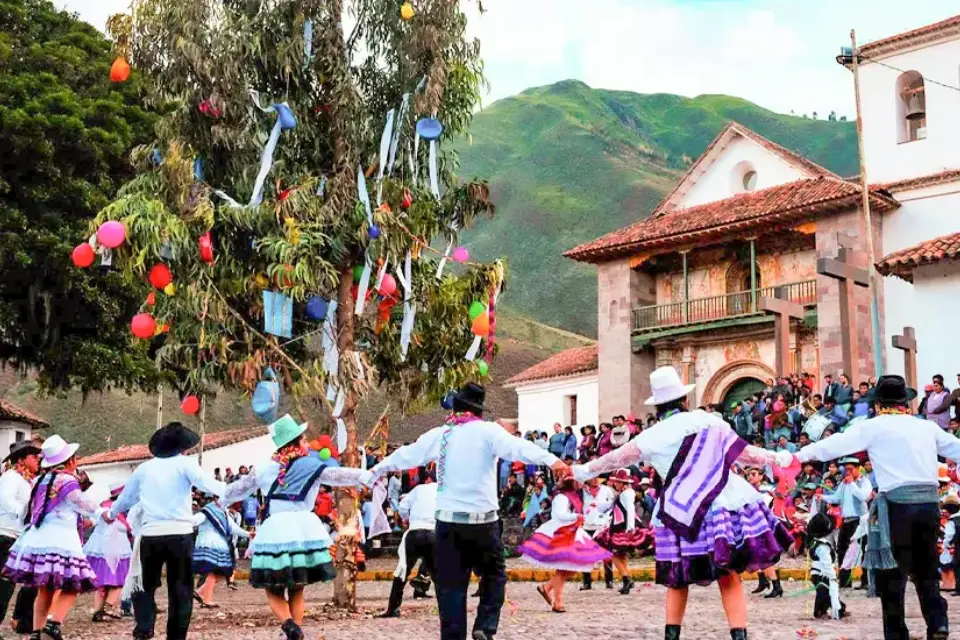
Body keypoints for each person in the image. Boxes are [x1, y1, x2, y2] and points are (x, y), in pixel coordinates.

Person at [574, 367, 791, 640]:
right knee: (728, 576)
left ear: (658, 404)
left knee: (677, 581)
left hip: (679, 511)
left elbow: (613, 459)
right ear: (684, 401)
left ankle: (672, 636)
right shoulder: (712, 423)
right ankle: (739, 635)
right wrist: (778, 458)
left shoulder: (652, 436)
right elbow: (747, 455)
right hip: (719, 505)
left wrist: (582, 471)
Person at [360, 383, 567, 640]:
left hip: (448, 525)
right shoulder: (490, 432)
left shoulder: (441, 435)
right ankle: (484, 626)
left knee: (451, 587)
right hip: (484, 524)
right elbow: (519, 448)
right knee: (493, 576)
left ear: (456, 407)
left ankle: (453, 637)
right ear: (478, 410)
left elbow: (407, 455)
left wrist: (376, 470)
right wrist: (553, 460)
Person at [787, 375, 960, 640]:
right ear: (905, 402)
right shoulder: (925, 427)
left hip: (896, 506)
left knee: (893, 574)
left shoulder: (873, 427)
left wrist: (797, 456)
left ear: (878, 403)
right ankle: (938, 623)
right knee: (926, 568)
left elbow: (833, 445)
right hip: (928, 505)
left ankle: (897, 633)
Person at [222, 415, 365, 640]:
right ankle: (295, 630)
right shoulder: (311, 465)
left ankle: (290, 626)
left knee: (272, 586)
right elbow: (337, 476)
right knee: (297, 587)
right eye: (305, 440)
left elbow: (239, 489)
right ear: (297, 442)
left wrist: (219, 496)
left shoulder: (264, 468)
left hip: (275, 530)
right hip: (304, 530)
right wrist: (368, 475)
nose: (308, 444)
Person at [107, 422, 226, 640]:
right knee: (180, 588)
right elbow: (209, 484)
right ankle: (176, 636)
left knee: (145, 585)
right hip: (180, 533)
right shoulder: (185, 464)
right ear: (182, 447)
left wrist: (111, 513)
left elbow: (126, 498)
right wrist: (231, 494)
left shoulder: (144, 468)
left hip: (151, 535)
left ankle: (144, 628)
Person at [3, 436, 100, 640]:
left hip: (37, 539)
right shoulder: (67, 481)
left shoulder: (40, 480)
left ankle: (37, 631)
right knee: (73, 585)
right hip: (62, 540)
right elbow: (84, 506)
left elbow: (28, 509)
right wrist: (103, 510)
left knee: (44, 588)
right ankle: (53, 625)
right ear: (70, 460)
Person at [518, 477, 611, 613]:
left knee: (571, 567)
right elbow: (559, 515)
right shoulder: (561, 497)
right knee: (564, 568)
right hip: (561, 533)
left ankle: (548, 588)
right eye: (578, 482)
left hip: (571, 531)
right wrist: (576, 516)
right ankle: (557, 601)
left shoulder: (572, 496)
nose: (581, 484)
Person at [380, 467, 438, 618]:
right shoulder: (446, 492)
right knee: (439, 575)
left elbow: (403, 506)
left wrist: (407, 518)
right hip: (434, 533)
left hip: (416, 531)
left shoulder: (419, 489)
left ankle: (393, 608)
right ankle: (448, 609)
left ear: (428, 479)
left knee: (402, 571)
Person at [0, 440, 40, 635]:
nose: (38, 459)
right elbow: (6, 500)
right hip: (5, 535)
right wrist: (24, 514)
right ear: (22, 460)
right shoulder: (10, 478)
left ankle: (23, 621)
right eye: (34, 456)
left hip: (18, 537)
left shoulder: (27, 481)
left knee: (16, 583)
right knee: (4, 585)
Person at [593, 469, 651, 595]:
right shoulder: (623, 493)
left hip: (622, 526)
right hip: (620, 525)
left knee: (612, 553)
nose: (615, 484)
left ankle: (626, 578)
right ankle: (627, 579)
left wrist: (630, 527)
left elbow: (630, 509)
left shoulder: (627, 493)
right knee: (620, 554)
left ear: (622, 482)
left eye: (617, 482)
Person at [85, 481, 133, 622]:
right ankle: (107, 608)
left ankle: (98, 611)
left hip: (98, 549)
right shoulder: (123, 510)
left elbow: (90, 522)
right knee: (120, 581)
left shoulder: (102, 506)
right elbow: (129, 527)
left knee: (101, 583)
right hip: (118, 550)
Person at [191, 494, 249, 608]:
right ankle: (206, 600)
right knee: (215, 572)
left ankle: (199, 592)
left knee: (224, 572)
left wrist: (248, 534)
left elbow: (232, 528)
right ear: (215, 498)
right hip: (209, 542)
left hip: (219, 543)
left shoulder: (224, 512)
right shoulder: (208, 511)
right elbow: (195, 520)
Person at [824, 457, 871, 589]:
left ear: (857, 469)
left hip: (859, 521)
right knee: (842, 550)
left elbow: (863, 496)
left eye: (850, 469)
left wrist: (852, 484)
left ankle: (865, 581)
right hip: (845, 520)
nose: (848, 472)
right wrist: (823, 497)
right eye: (846, 470)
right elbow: (837, 498)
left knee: (862, 550)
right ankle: (845, 581)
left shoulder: (864, 482)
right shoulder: (844, 484)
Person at [806, 511, 846, 620]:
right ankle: (820, 611)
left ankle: (834, 609)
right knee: (824, 594)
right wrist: (832, 576)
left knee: (824, 593)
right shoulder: (823, 547)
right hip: (823, 574)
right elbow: (826, 563)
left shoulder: (815, 542)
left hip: (817, 573)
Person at [579, 477, 615, 590]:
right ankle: (586, 582)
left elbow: (613, 505)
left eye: (596, 477)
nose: (595, 479)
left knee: (606, 554)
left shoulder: (607, 490)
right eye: (592, 477)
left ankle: (609, 581)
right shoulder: (581, 492)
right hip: (586, 525)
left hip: (602, 526)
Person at [940, 495, 960, 594]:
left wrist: (946, 544)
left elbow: (949, 535)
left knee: (957, 568)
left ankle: (958, 589)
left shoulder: (951, 522)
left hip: (957, 546)